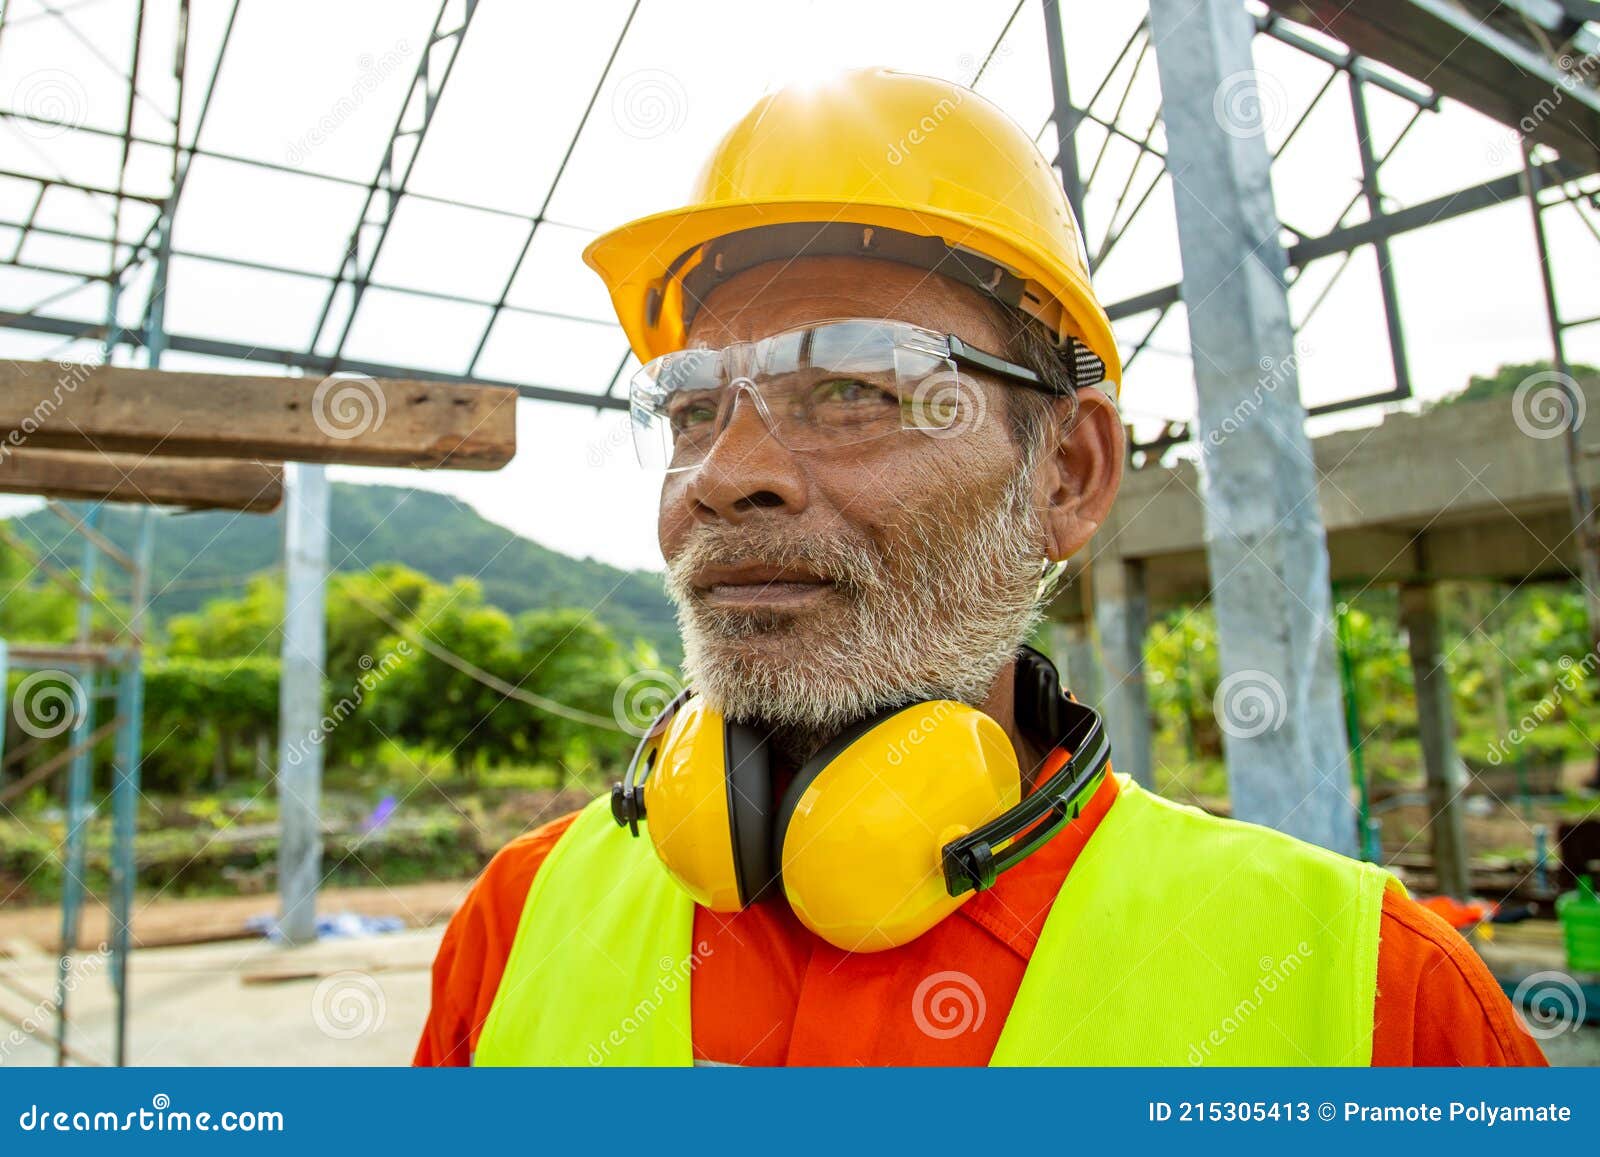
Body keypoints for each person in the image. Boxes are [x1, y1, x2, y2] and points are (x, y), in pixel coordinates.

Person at [416, 68, 1545, 1067]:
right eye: (693, 405)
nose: (723, 472)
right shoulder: (518, 921)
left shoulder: (1379, 997)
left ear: (1068, 471)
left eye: (855, 386)